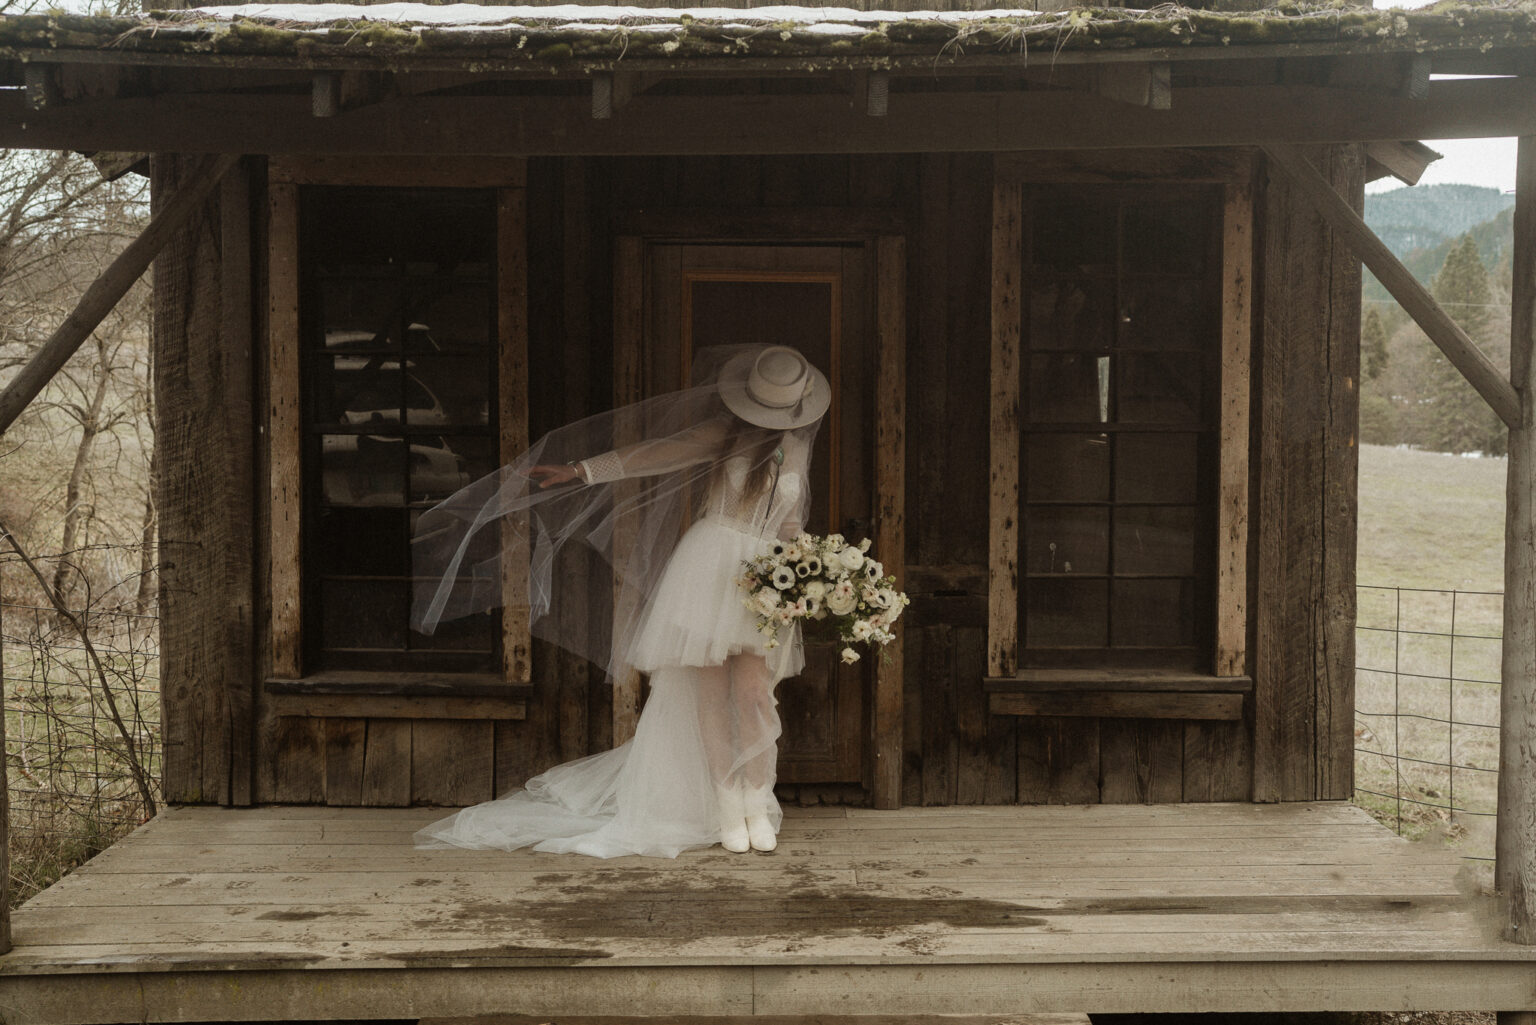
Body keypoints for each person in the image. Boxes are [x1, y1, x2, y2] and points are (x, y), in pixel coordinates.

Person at [409, 344, 829, 857]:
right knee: (712, 693)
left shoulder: (800, 448)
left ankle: (757, 800)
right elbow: (654, 453)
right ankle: (727, 807)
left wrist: (805, 569)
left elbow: (791, 519)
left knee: (755, 693)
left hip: (767, 574)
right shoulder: (723, 436)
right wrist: (582, 470)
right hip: (711, 564)